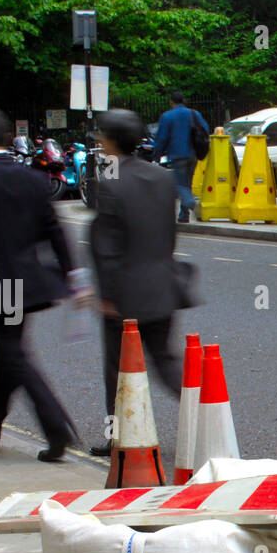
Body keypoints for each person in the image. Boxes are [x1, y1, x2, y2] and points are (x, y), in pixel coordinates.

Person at [0, 106, 81, 462]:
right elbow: (54, 229)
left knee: (13, 355)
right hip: (30, 282)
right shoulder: (33, 179)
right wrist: (73, 274)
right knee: (9, 351)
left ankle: (57, 427)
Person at [87, 109, 188, 457]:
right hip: (163, 285)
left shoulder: (110, 182)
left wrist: (108, 296)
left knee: (117, 370)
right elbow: (169, 234)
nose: (98, 141)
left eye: (102, 135)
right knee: (165, 360)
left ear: (112, 141)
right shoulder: (161, 178)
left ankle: (119, 437)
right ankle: (206, 410)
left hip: (126, 296)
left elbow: (107, 247)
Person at [152, 91, 210, 223]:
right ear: (184, 101)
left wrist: (156, 155)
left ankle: (190, 203)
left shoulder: (167, 116)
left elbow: (161, 138)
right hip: (193, 154)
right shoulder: (194, 114)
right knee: (187, 184)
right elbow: (205, 129)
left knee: (179, 184)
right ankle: (184, 215)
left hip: (178, 155)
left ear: (171, 102)